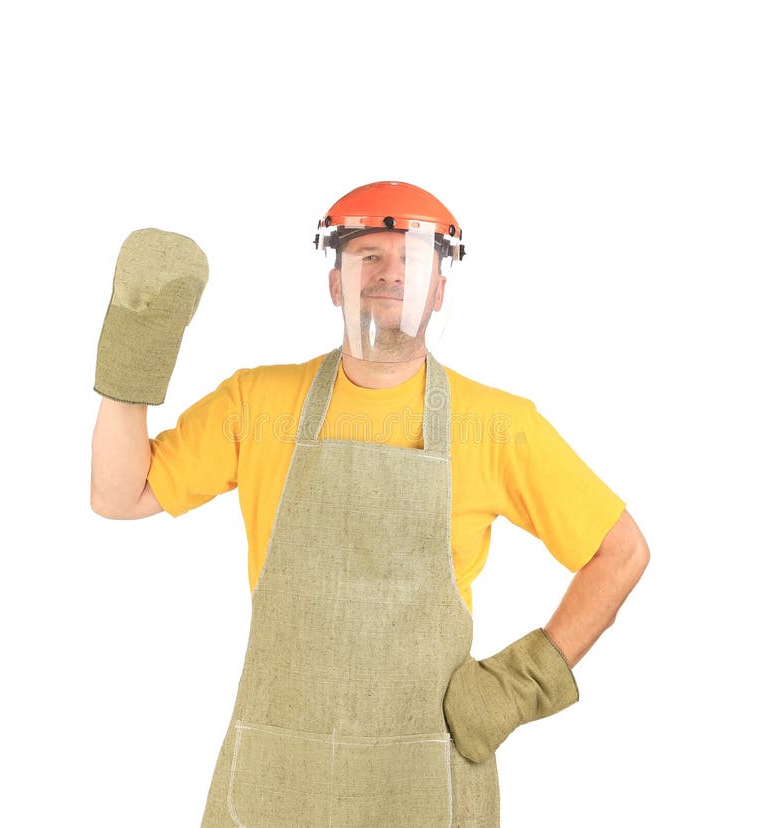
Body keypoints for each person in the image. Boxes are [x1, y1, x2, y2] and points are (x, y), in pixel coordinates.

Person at [91, 181, 649, 827]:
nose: (391, 273)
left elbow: (622, 550)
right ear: (336, 281)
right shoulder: (258, 403)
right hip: (277, 778)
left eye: (412, 259)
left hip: (425, 779)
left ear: (440, 288)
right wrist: (135, 352)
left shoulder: (497, 424)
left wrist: (517, 687)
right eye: (369, 256)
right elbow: (118, 494)